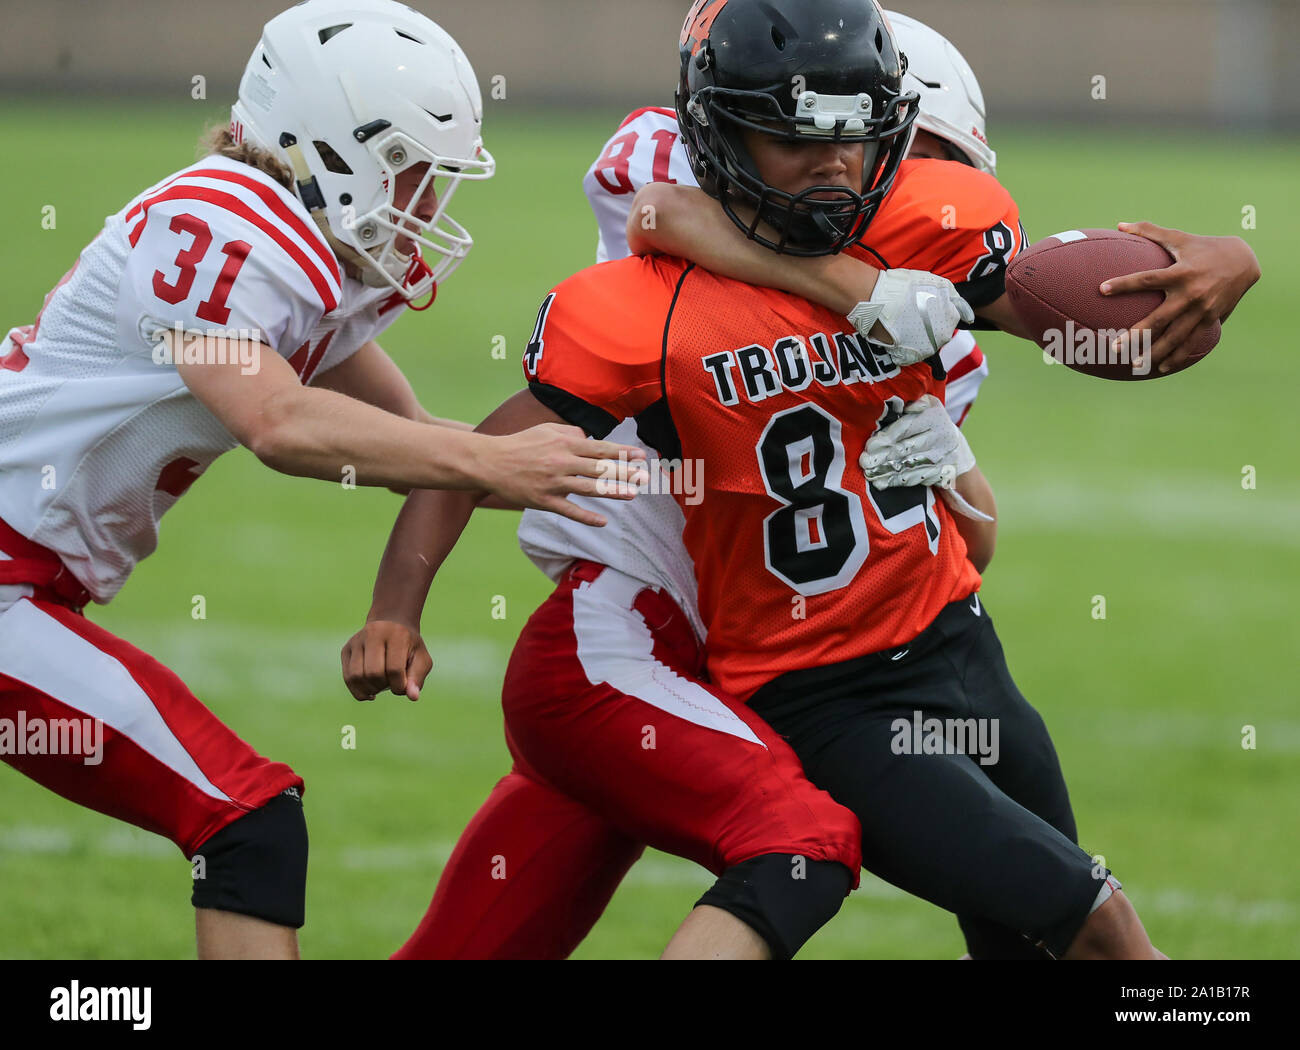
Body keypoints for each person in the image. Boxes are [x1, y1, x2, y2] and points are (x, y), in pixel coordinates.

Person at [347, 1, 1258, 959]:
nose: (844, 167)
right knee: (867, 867)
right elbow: (661, 214)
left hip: (942, 640)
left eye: (876, 142)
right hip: (718, 654)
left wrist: (1234, 257)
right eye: (801, 133)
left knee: (1036, 928)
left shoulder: (931, 264)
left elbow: (978, 512)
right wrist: (394, 605)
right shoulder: (654, 302)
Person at [0, 0, 643, 961]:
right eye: (415, 174)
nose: (428, 207)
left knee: (248, 820)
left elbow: (412, 443)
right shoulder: (221, 221)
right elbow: (278, 422)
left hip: (34, 585)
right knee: (248, 820)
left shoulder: (309, 248)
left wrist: (624, 475)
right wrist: (488, 458)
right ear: (334, 144)